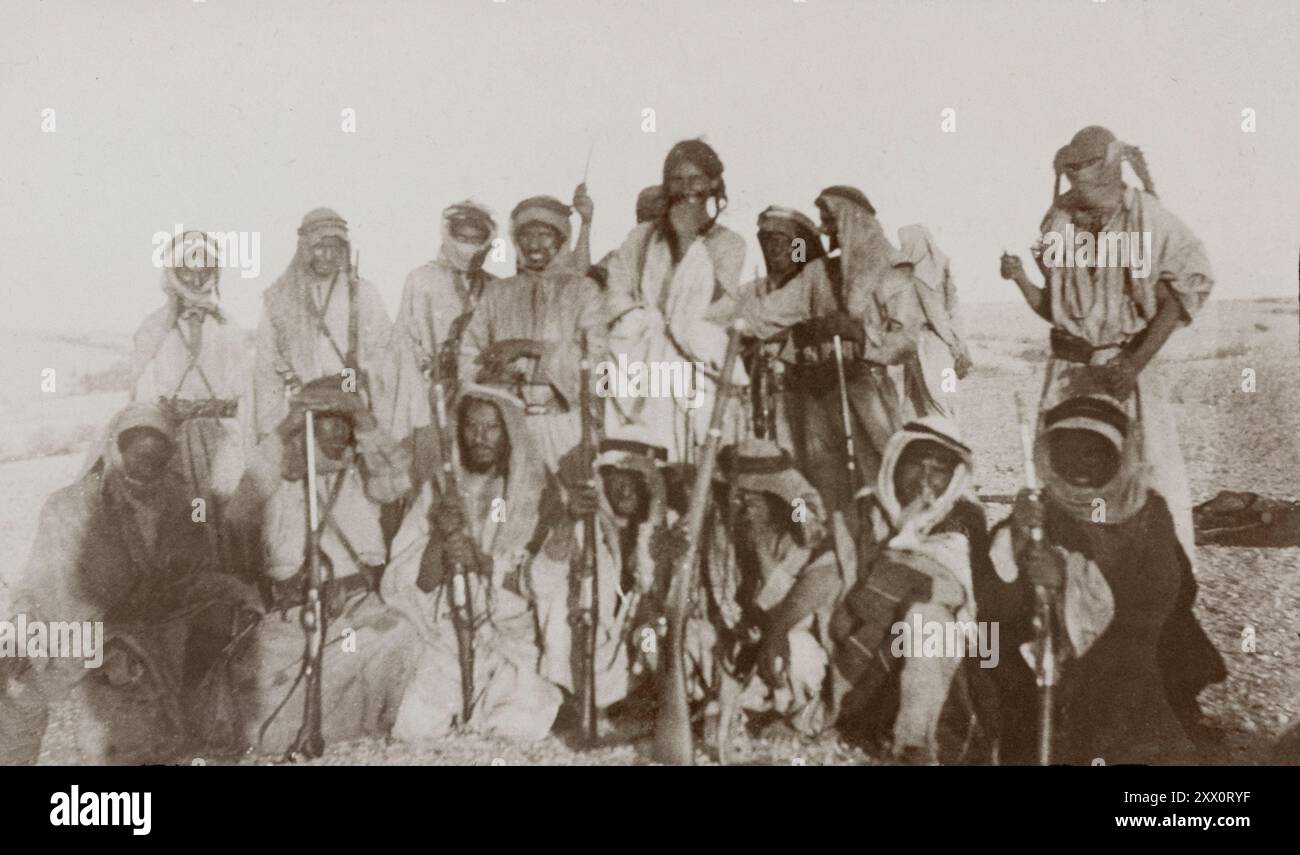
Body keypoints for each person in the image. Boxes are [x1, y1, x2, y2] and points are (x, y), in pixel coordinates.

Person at [999, 125, 1212, 570]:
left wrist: (1133, 364)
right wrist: (1020, 279)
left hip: (1127, 376)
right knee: (1067, 474)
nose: (1075, 176)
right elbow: (1057, 310)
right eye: (1071, 168)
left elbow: (1177, 299)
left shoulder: (1150, 220)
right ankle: (1073, 584)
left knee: (1141, 476)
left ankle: (1151, 585)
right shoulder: (1059, 223)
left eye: (1084, 166)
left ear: (1110, 168)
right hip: (1067, 377)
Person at [1, 404, 259, 765]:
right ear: (115, 450)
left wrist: (236, 592)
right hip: (85, 634)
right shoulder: (69, 508)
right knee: (22, 697)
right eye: (138, 455)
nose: (146, 466)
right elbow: (45, 589)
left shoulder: (181, 503)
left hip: (157, 629)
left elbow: (192, 574)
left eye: (157, 457)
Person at [982, 393, 1226, 764]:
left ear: (1119, 455)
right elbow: (993, 596)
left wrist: (1070, 578)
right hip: (1048, 654)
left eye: (1091, 452)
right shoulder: (1037, 510)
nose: (1077, 464)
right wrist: (1016, 535)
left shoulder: (1147, 510)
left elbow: (1169, 593)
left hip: (1131, 650)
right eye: (1066, 450)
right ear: (1048, 454)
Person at [231, 378, 418, 754]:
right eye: (326, 425)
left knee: (389, 635)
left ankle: (344, 726)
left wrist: (362, 416)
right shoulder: (278, 477)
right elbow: (238, 510)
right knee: (261, 708)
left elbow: (397, 480)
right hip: (294, 622)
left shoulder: (362, 475)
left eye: (344, 426)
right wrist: (288, 424)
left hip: (354, 617)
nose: (338, 435)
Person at [732, 186, 925, 531]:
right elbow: (766, 314)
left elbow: (906, 340)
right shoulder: (819, 273)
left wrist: (860, 333)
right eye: (822, 222)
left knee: (881, 474)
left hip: (868, 392)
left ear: (852, 220)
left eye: (831, 221)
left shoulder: (892, 268)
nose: (826, 231)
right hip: (820, 396)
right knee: (826, 483)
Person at [382, 385, 565, 740]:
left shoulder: (538, 494)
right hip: (446, 634)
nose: (480, 437)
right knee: (413, 727)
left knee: (518, 728)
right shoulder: (438, 490)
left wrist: (483, 564)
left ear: (509, 431)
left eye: (491, 427)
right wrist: (441, 539)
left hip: (514, 638)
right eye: (472, 426)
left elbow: (542, 581)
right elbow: (412, 582)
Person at [829, 416, 992, 764]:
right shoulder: (866, 507)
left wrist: (894, 571)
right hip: (861, 636)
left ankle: (916, 743)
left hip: (941, 652)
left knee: (927, 619)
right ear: (895, 462)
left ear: (953, 479)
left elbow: (948, 589)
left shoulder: (962, 517)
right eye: (917, 464)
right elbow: (835, 568)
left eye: (938, 470)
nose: (925, 479)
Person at [601, 140, 749, 462]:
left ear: (712, 183)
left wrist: (686, 240)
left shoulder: (729, 243)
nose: (686, 189)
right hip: (638, 360)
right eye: (677, 180)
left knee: (693, 459)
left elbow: (712, 307)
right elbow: (616, 292)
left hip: (697, 365)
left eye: (696, 179)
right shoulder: (640, 238)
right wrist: (639, 322)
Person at [457, 195, 607, 472]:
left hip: (565, 428)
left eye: (545, 235)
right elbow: (469, 354)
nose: (535, 244)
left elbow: (598, 365)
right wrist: (487, 376)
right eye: (526, 235)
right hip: (508, 430)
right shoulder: (498, 293)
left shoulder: (584, 291)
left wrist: (529, 347)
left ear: (561, 239)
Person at [708, 439, 842, 741]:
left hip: (787, 645)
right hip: (744, 644)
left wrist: (760, 551)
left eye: (751, 502)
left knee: (797, 650)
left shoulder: (800, 543)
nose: (741, 510)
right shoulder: (724, 537)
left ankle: (798, 717)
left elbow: (795, 615)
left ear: (774, 500)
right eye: (736, 499)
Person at [252, 207, 391, 440]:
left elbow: (382, 358)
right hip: (300, 405)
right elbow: (267, 372)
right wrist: (271, 431)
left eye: (334, 247)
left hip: (349, 397)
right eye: (319, 247)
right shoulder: (279, 298)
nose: (327, 255)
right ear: (304, 247)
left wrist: (377, 418)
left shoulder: (361, 293)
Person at [379, 201, 498, 443]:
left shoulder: (495, 286)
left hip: (479, 391)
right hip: (429, 392)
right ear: (448, 235)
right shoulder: (422, 280)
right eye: (461, 237)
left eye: (475, 240)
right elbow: (404, 344)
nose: (467, 247)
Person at [895, 224, 971, 421]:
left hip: (931, 346)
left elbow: (937, 316)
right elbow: (951, 312)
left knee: (939, 398)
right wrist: (958, 345)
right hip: (936, 346)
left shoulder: (921, 276)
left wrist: (954, 346)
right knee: (939, 397)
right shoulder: (937, 270)